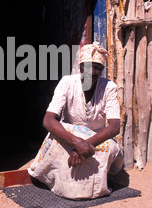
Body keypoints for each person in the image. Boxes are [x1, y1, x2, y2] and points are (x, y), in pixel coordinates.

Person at [28, 42, 124, 200]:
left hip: (95, 136)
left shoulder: (109, 87)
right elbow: (48, 120)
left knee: (110, 147)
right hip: (71, 133)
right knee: (54, 140)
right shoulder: (67, 83)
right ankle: (59, 183)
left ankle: (93, 189)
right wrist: (76, 142)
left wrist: (84, 145)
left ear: (102, 71)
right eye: (87, 66)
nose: (92, 72)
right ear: (80, 66)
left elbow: (114, 127)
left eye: (98, 68)